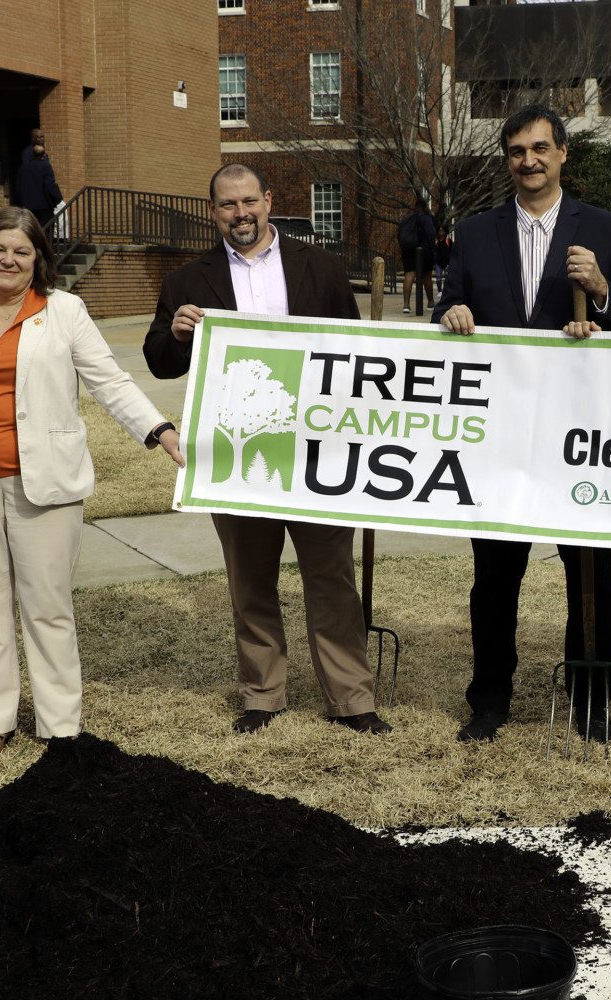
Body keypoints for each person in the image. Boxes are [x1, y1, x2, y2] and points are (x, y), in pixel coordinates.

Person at [0, 207, 182, 759]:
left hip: (47, 484)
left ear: (39, 260)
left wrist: (159, 429)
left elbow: (110, 381)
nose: (8, 260)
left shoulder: (64, 311)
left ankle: (59, 724)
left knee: (48, 605)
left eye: (22, 251)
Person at [144, 163, 390, 738]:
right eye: (227, 206)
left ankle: (352, 698)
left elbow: (354, 355)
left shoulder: (320, 267)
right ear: (213, 212)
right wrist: (177, 334)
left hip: (315, 451)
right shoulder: (187, 281)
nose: (241, 214)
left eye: (249, 201)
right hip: (236, 448)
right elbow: (160, 361)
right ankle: (262, 694)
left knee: (330, 576)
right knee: (250, 578)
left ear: (269, 200)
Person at [434, 104, 611, 744]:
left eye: (540, 149)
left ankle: (590, 701)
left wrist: (602, 290)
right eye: (517, 151)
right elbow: (447, 305)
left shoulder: (602, 231)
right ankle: (490, 698)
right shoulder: (475, 234)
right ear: (508, 160)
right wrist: (453, 313)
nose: (529, 160)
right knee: (495, 573)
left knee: (589, 571)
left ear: (562, 155)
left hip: (580, 437)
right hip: (500, 435)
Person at [397, 200, 437, 315]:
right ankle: (430, 302)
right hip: (423, 251)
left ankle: (406, 305)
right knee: (427, 277)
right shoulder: (426, 218)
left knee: (409, 275)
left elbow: (399, 235)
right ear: (425, 208)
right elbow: (431, 235)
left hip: (408, 251)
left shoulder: (407, 219)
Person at [16, 142, 64, 226]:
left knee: (31, 228)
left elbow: (19, 186)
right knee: (46, 228)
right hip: (43, 205)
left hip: (27, 204)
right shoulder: (45, 166)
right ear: (44, 154)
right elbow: (49, 185)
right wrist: (58, 198)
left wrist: (20, 201)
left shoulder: (24, 167)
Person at [433, 224, 452, 295]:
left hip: (447, 262)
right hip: (438, 262)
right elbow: (433, 251)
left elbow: (452, 251)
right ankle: (439, 291)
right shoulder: (436, 241)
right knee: (438, 277)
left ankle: (446, 290)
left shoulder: (448, 241)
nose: (441, 232)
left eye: (442, 230)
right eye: (439, 230)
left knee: (447, 277)